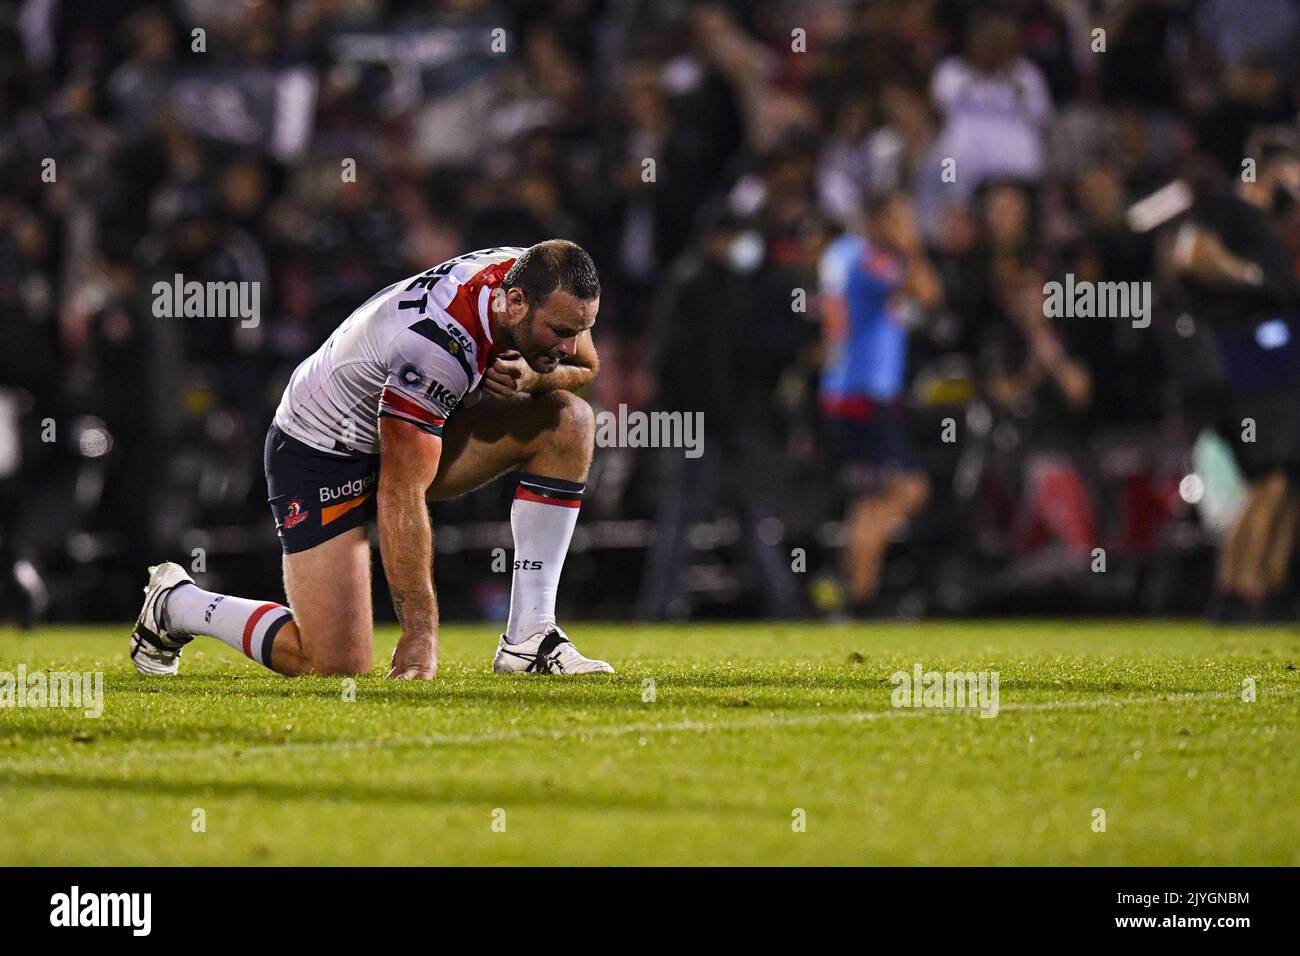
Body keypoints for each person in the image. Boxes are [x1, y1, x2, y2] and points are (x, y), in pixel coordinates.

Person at [129, 240, 614, 678]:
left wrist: (534, 380)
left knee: (570, 423)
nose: (569, 344)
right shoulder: (436, 344)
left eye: (580, 328)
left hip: (399, 430)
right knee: (330, 664)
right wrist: (420, 633)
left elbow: (585, 366)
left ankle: (530, 637)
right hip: (319, 450)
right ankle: (177, 604)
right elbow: (400, 489)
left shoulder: (532, 281)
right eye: (561, 331)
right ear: (514, 303)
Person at [819, 193, 941, 607]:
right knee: (908, 489)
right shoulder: (870, 259)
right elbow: (929, 293)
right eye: (900, 220)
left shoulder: (843, 253)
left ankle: (854, 595)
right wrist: (912, 247)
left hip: (848, 394)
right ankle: (859, 597)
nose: (906, 229)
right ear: (879, 220)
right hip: (864, 396)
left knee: (872, 500)